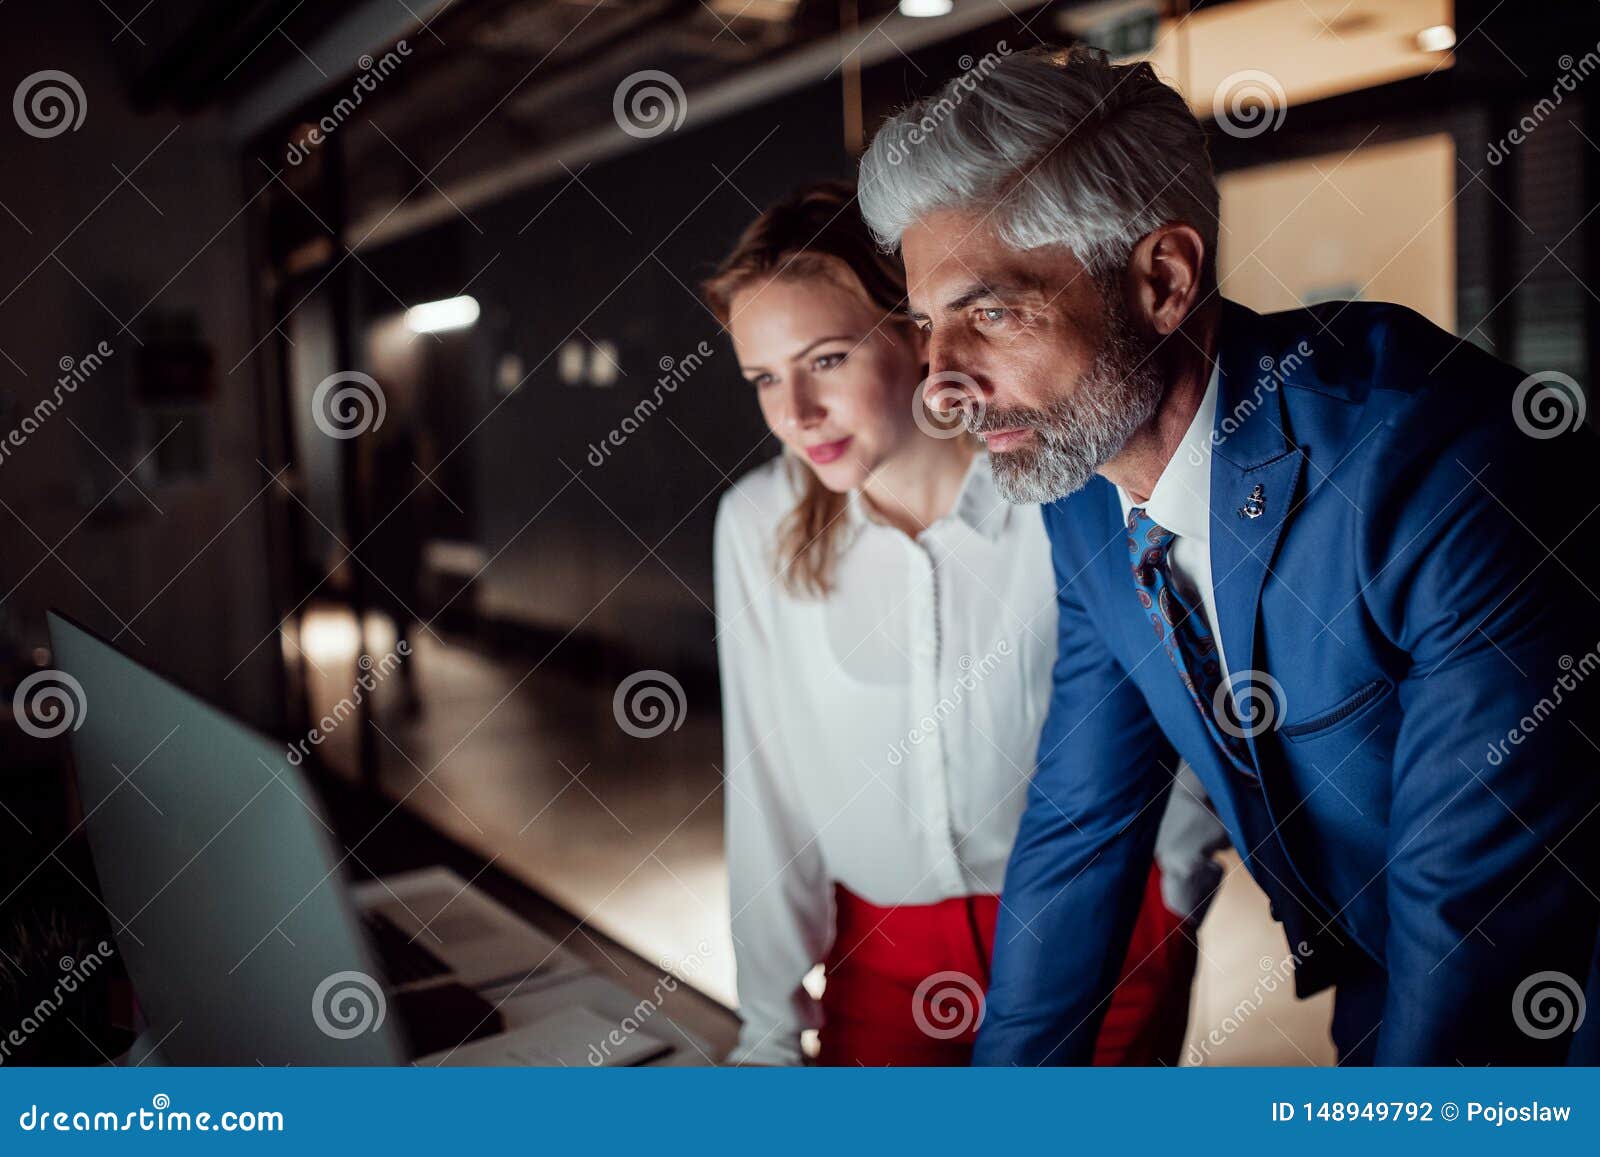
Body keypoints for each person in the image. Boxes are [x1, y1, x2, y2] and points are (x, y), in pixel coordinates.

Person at [858, 45, 1600, 1066]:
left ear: (1162, 278)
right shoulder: (1081, 496)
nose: (941, 382)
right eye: (926, 326)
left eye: (990, 312)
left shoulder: (1430, 462)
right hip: (1388, 972)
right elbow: (1080, 825)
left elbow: (1473, 918)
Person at [706, 181, 1226, 1066]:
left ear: (916, 335)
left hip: (1101, 935)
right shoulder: (756, 523)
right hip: (883, 959)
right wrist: (768, 1021)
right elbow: (765, 782)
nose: (794, 412)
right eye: (764, 377)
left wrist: (1175, 881)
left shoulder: (1057, 489)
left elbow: (1166, 693)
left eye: (826, 359)